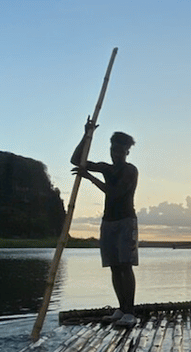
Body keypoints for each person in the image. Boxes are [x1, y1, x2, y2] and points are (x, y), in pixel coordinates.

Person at [71, 121, 139, 326]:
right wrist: (87, 135)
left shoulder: (130, 170)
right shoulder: (107, 168)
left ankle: (130, 312)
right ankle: (121, 308)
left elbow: (115, 193)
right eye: (113, 150)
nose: (115, 154)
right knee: (114, 267)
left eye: (120, 151)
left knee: (125, 266)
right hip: (108, 222)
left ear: (127, 152)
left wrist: (89, 177)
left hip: (126, 221)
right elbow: (76, 160)